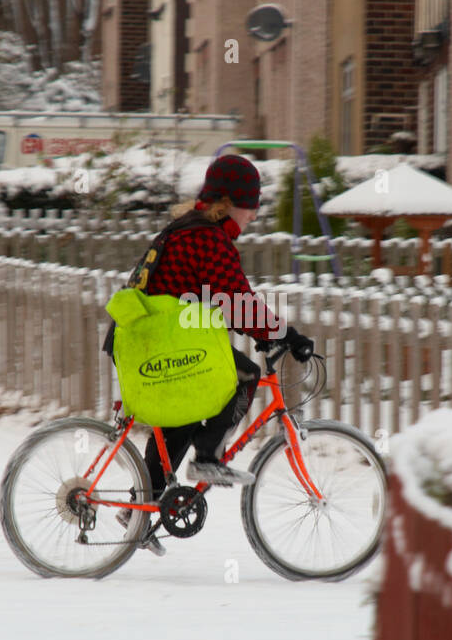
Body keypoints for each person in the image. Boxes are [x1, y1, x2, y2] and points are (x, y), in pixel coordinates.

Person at [105, 154, 315, 495]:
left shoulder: (188, 228)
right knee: (245, 375)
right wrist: (286, 335)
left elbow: (217, 298)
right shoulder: (208, 239)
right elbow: (236, 302)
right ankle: (207, 458)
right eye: (250, 204)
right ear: (229, 203)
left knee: (184, 412)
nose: (254, 213)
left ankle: (142, 508)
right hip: (157, 340)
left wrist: (261, 330)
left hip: (140, 339)